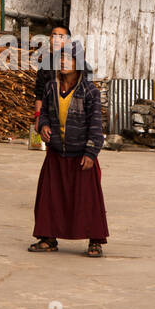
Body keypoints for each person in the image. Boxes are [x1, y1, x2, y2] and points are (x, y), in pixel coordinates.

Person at [29, 35, 108, 257]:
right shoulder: (51, 87)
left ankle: (95, 241)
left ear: (79, 64)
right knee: (48, 197)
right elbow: (44, 112)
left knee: (88, 200)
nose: (63, 62)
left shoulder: (89, 91)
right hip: (56, 151)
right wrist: (42, 124)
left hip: (80, 154)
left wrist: (91, 152)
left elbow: (95, 125)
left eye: (69, 59)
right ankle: (47, 238)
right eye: (61, 58)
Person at [34, 24, 92, 123]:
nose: (56, 40)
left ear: (68, 41)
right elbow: (39, 95)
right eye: (54, 36)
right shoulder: (45, 64)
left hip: (76, 119)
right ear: (50, 39)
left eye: (61, 37)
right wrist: (38, 118)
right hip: (51, 119)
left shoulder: (79, 65)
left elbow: (87, 96)